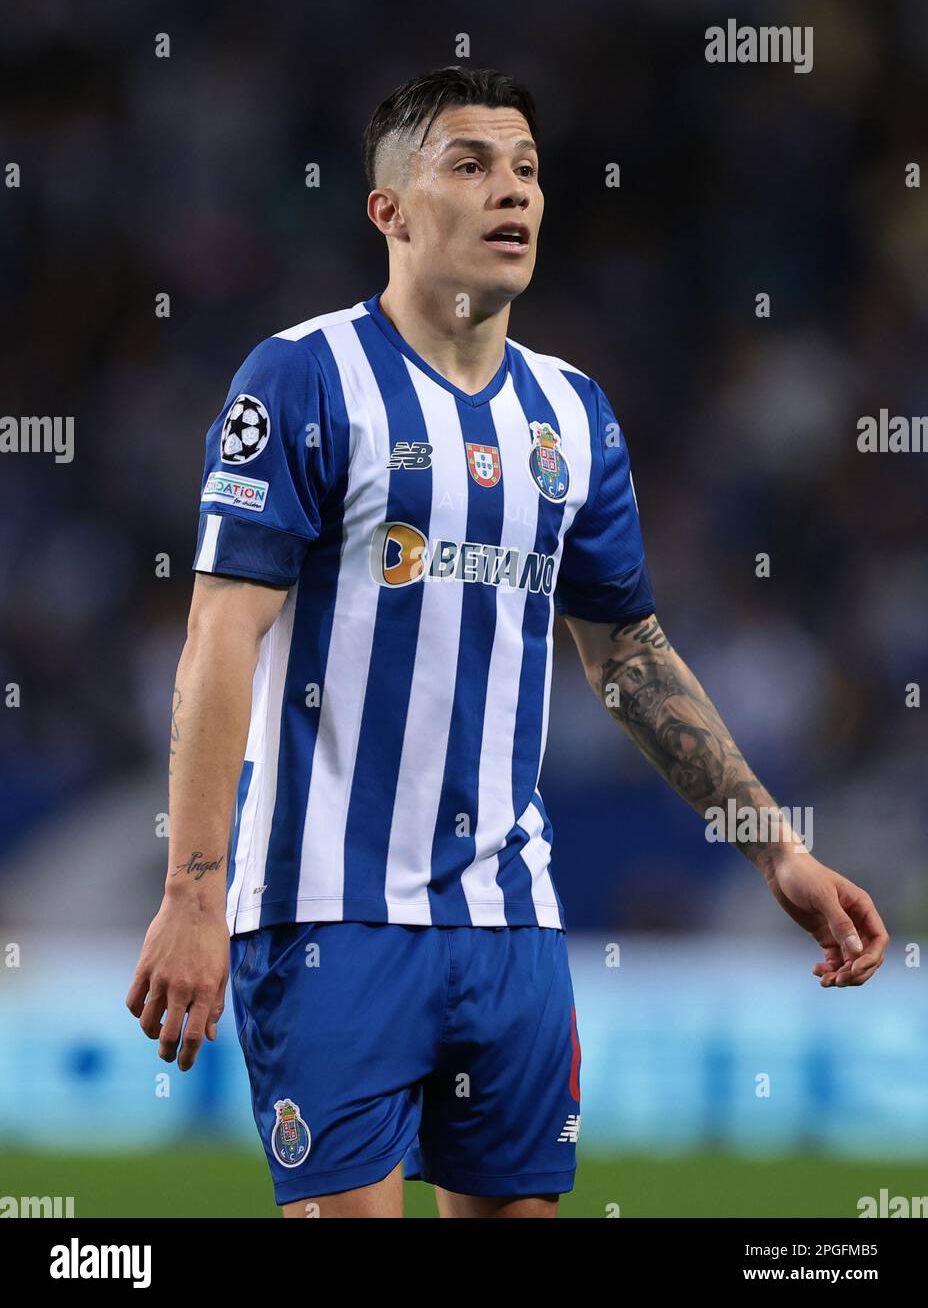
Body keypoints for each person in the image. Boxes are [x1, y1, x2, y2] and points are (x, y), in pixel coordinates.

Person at [127, 66, 889, 1219]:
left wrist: (775, 847)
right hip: (328, 915)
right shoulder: (302, 379)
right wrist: (194, 887)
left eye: (526, 168)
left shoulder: (573, 413)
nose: (511, 191)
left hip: (507, 920)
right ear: (387, 209)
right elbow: (218, 640)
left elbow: (626, 654)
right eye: (470, 165)